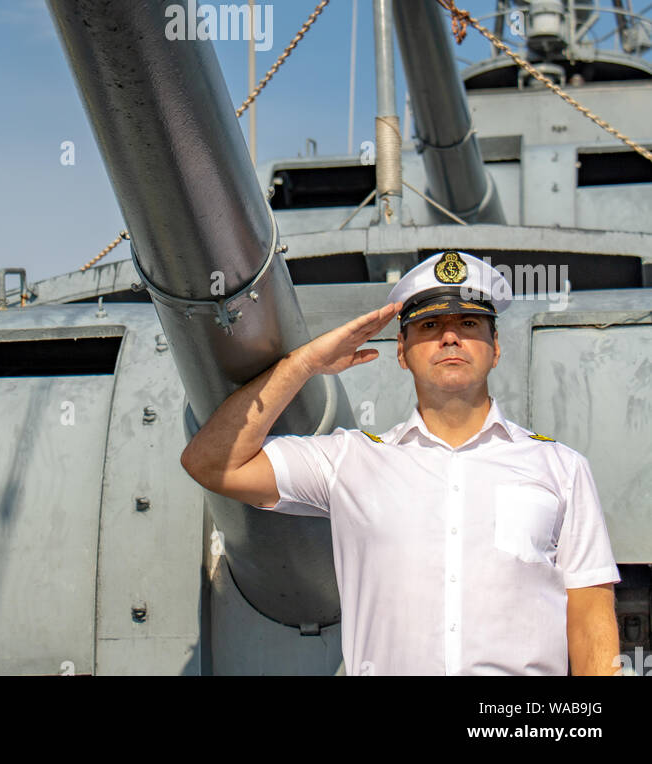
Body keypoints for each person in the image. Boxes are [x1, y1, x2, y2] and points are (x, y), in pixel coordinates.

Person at [180, 249, 621, 676]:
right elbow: (213, 463)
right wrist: (306, 362)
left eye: (469, 323)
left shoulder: (561, 469)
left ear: (495, 347)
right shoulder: (350, 463)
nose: (450, 336)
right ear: (402, 350)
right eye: (430, 325)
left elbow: (590, 627)